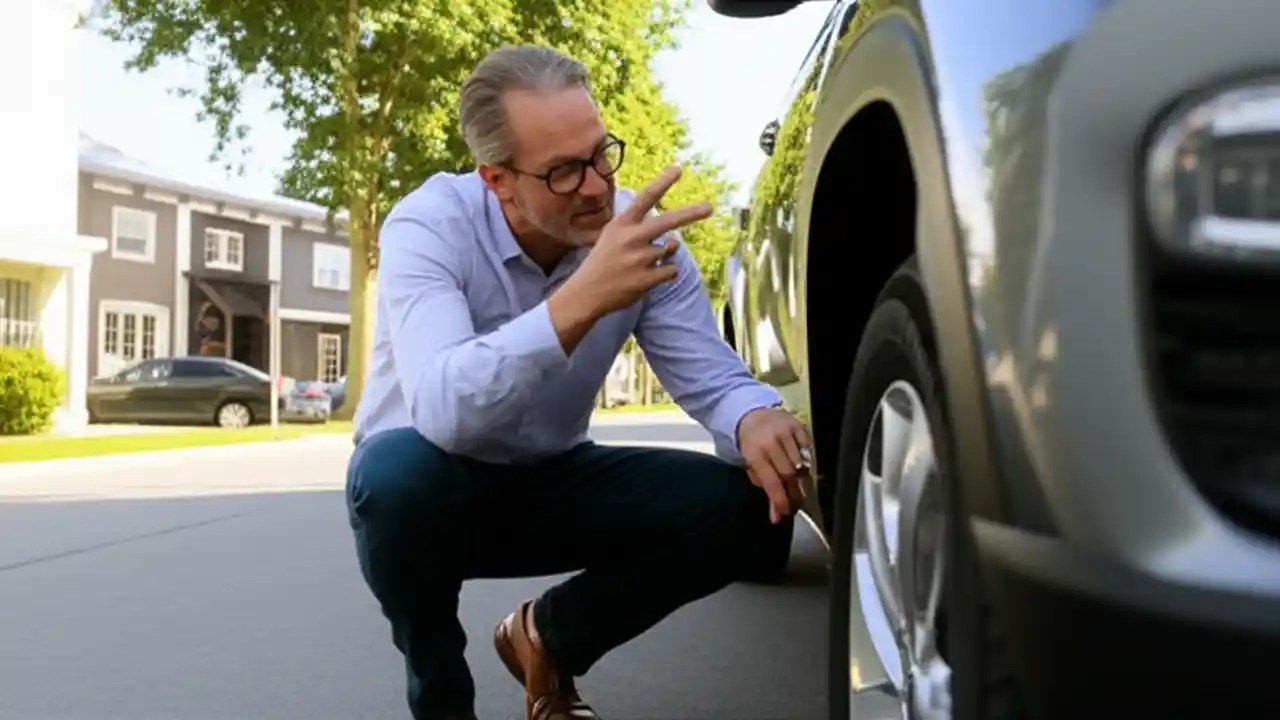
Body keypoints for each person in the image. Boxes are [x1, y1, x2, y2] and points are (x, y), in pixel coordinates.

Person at [346, 43, 812, 720]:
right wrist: (581, 297)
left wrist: (753, 415)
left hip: (552, 480)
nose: (596, 187)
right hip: (430, 494)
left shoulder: (637, 239)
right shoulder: (429, 227)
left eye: (600, 154)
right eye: (563, 172)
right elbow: (444, 412)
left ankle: (549, 639)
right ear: (496, 180)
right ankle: (439, 687)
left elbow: (713, 380)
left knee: (751, 511)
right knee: (397, 476)